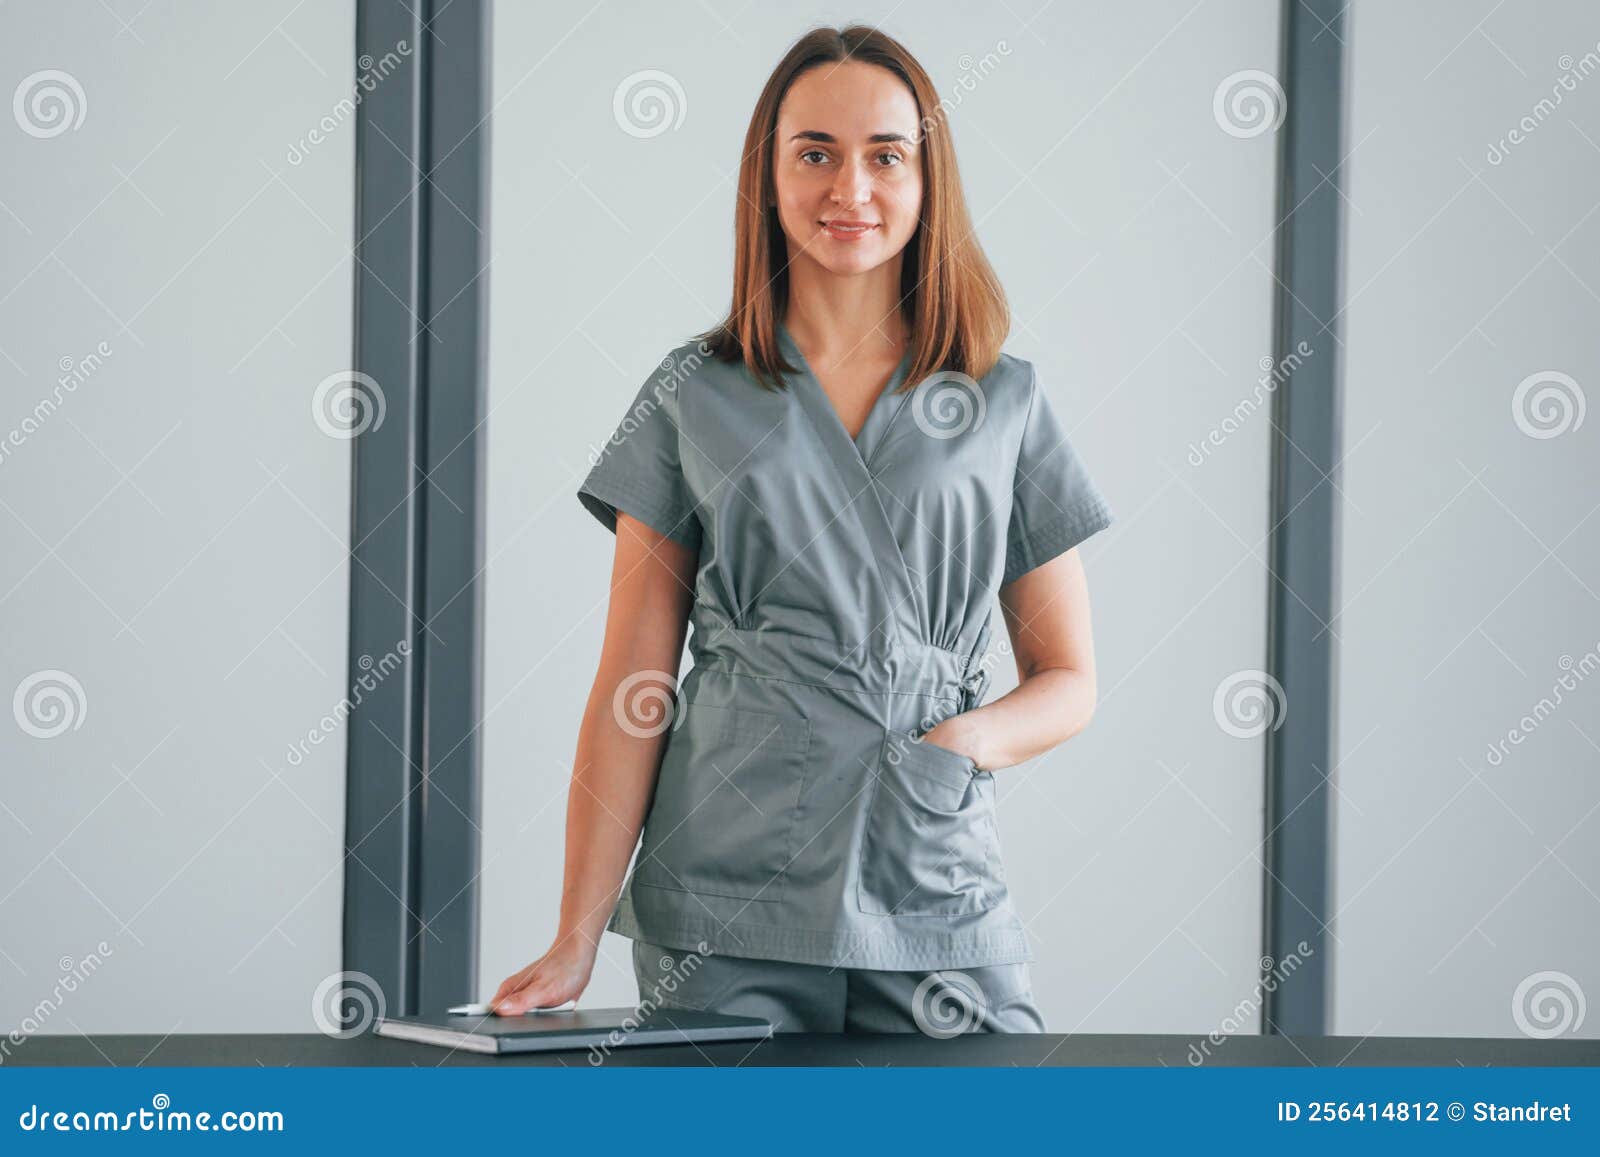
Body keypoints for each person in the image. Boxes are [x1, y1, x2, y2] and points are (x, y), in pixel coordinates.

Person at [491, 24, 1112, 1034]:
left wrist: (959, 745)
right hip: (723, 897)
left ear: (927, 178)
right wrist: (575, 932)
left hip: (932, 884)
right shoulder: (694, 392)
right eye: (814, 152)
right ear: (767, 175)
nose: (849, 189)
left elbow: (1069, 678)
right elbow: (630, 686)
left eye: (885, 156)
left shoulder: (1003, 403)